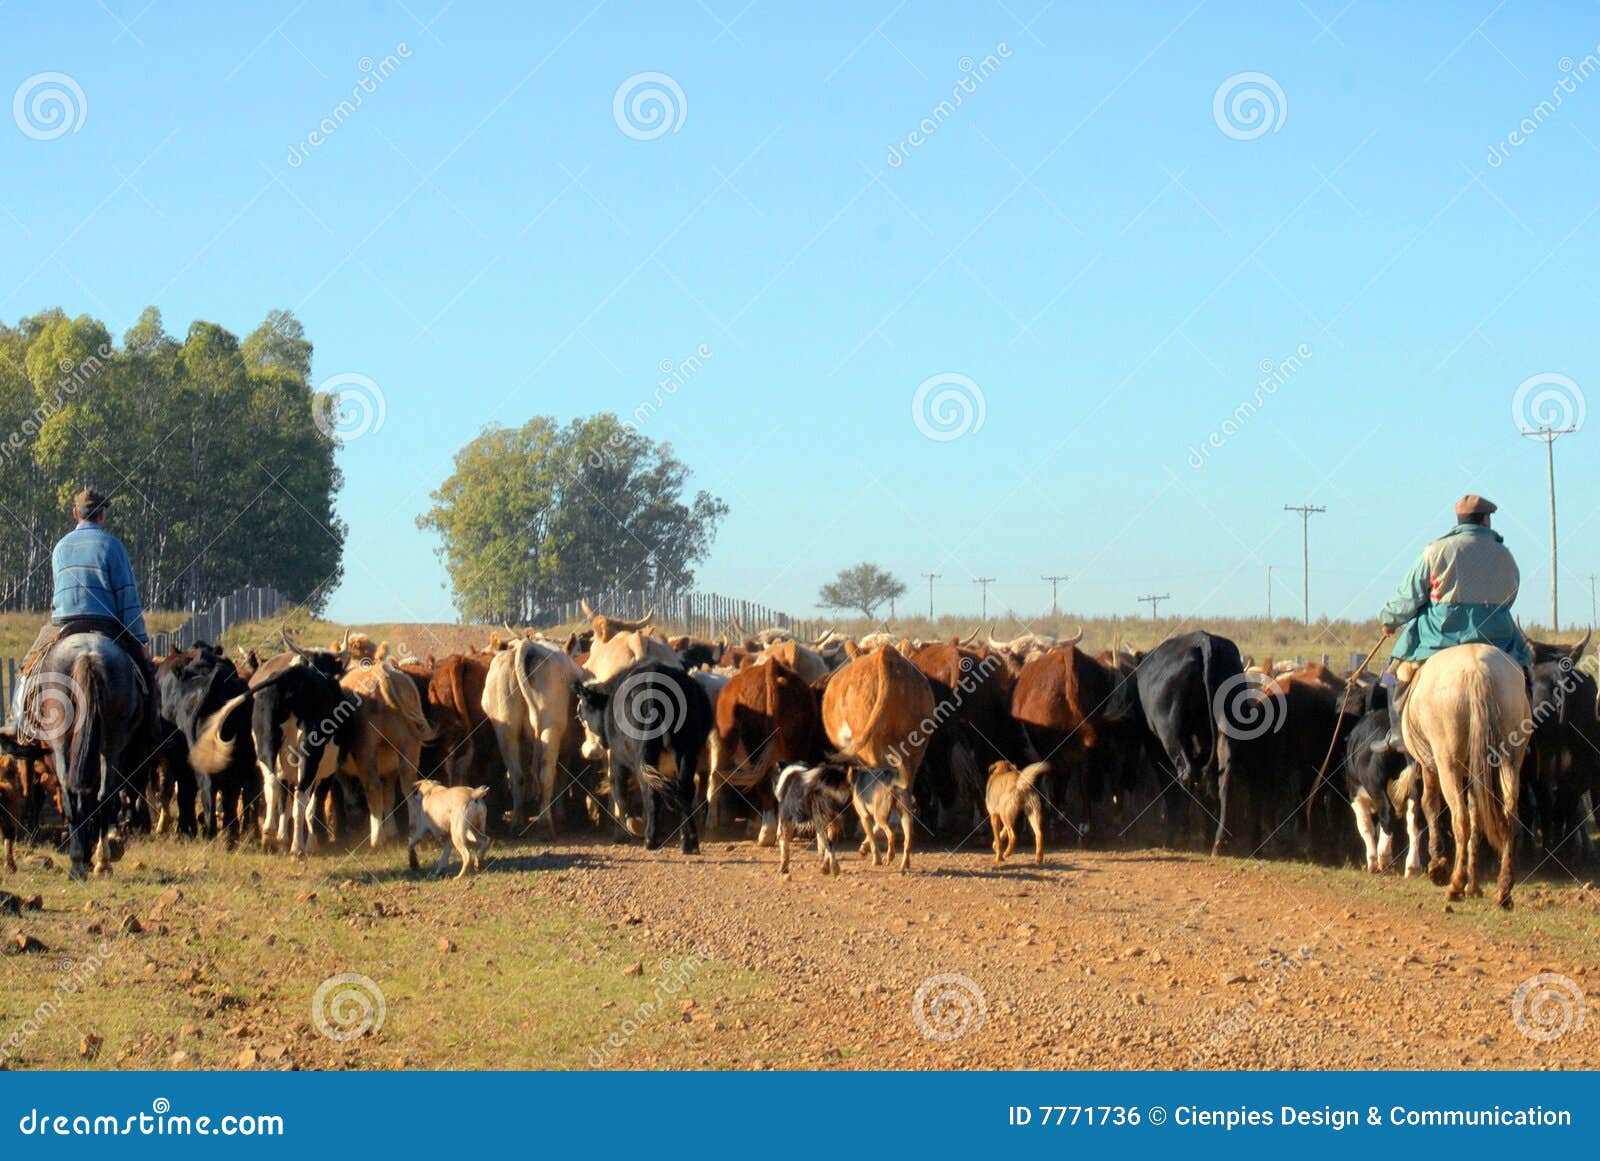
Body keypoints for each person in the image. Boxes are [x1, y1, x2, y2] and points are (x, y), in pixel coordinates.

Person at [1371, 494, 1532, 754]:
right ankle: (1524, 734)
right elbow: (1511, 593)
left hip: (1440, 633)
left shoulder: (1435, 551)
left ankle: (1398, 734)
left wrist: (1389, 620)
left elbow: (1409, 595)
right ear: (1486, 519)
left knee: (1393, 672)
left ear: (1460, 520)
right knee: (1525, 667)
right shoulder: (1505, 554)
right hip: (1496, 634)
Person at [16, 488, 156, 739]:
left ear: (75, 514)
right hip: (107, 624)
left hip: (62, 623)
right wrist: (139, 640)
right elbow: (127, 596)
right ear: (102, 516)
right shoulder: (113, 545)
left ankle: (18, 723)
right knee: (147, 675)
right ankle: (155, 729)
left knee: (28, 669)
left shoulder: (60, 547)